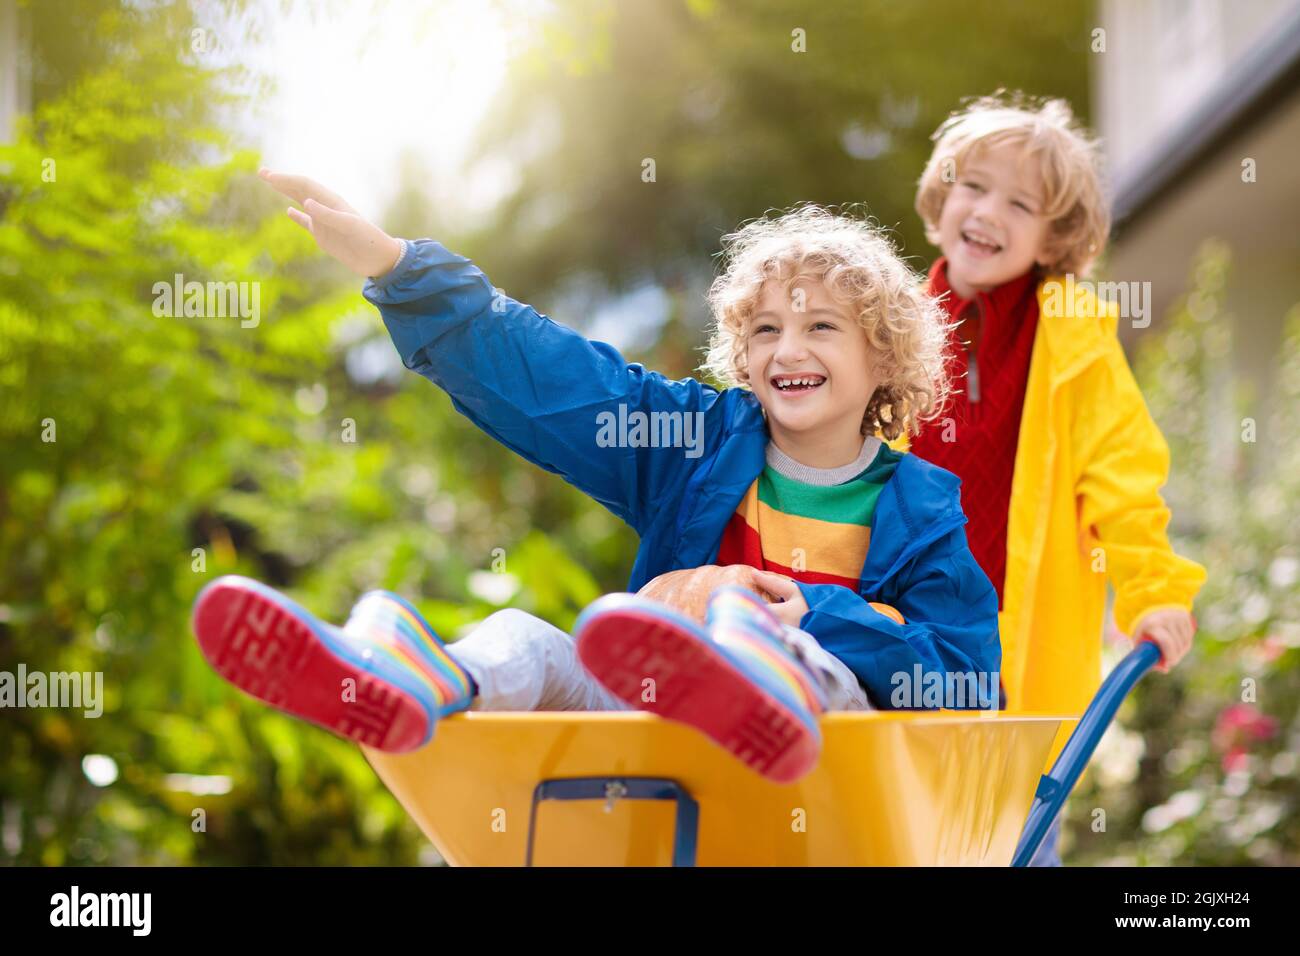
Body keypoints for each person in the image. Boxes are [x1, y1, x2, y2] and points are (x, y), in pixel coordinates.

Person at [191, 183, 999, 784]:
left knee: (799, 651)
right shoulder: (695, 444)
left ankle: (767, 671)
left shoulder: (922, 512)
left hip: (825, 768)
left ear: (885, 358)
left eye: (821, 327)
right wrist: (398, 269)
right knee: (528, 639)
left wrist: (814, 614)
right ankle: (416, 676)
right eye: (765, 330)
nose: (787, 351)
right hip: (657, 738)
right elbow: (558, 383)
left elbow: (967, 681)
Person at [905, 92, 1208, 858]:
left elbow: (1123, 475)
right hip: (894, 640)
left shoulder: (1074, 339)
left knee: (1012, 840)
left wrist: (1154, 592)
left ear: (1053, 237)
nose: (987, 211)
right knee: (896, 833)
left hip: (1016, 657)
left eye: (1021, 202)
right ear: (942, 199)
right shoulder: (887, 326)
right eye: (972, 186)